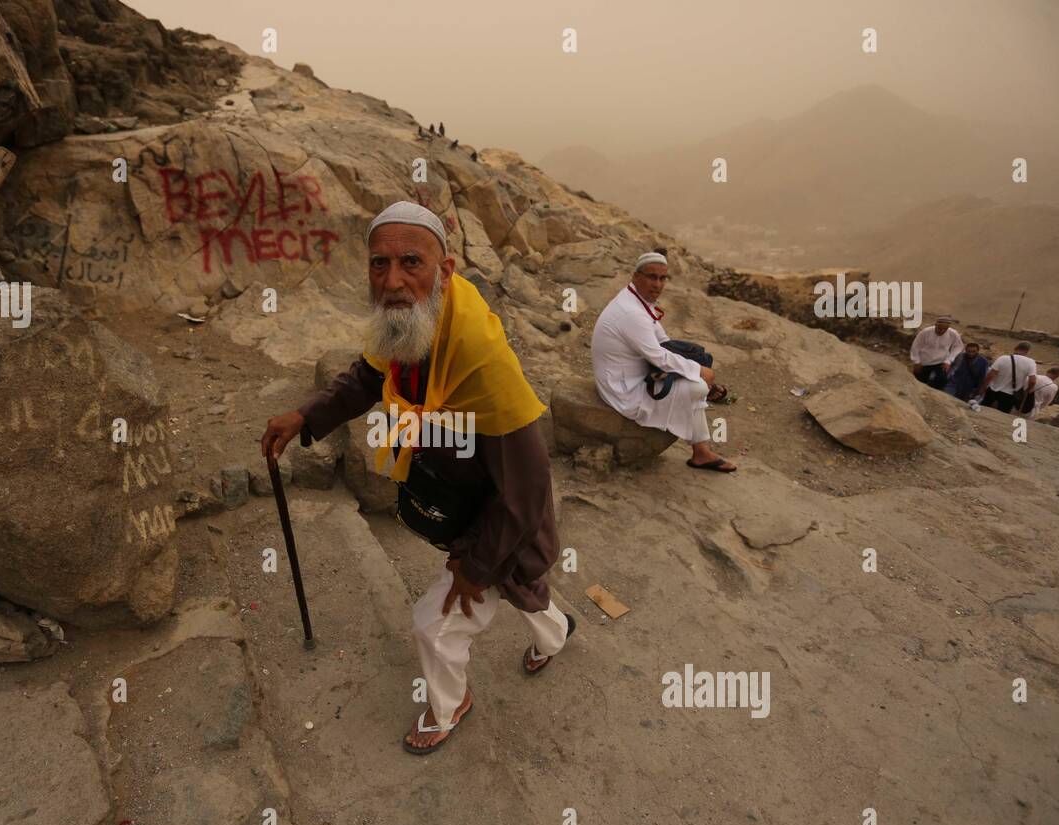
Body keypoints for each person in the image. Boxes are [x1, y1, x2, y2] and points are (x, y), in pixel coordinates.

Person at [260, 201, 574, 755]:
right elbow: (367, 375)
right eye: (379, 265)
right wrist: (306, 417)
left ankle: (448, 708)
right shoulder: (410, 323)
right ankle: (557, 633)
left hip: (497, 525)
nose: (393, 281)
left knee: (436, 621)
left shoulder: (478, 355)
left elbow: (526, 491)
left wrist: (473, 567)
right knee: (522, 592)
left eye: (411, 262)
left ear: (446, 270)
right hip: (459, 502)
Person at [590, 252, 736, 472]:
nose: (657, 284)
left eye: (662, 278)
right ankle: (701, 452)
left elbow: (664, 343)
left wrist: (695, 371)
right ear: (636, 276)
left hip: (635, 375)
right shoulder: (631, 312)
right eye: (651, 277)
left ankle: (701, 453)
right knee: (696, 386)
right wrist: (698, 372)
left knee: (695, 381)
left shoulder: (638, 301)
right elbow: (658, 356)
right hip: (623, 388)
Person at [980, 342, 1038, 413]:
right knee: (1001, 415)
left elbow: (990, 375)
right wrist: (1028, 390)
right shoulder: (1031, 362)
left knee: (983, 410)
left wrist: (982, 389)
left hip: (993, 390)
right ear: (1027, 351)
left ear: (1015, 348)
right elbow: (1032, 381)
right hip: (1010, 395)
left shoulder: (1002, 358)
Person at [910, 317, 964, 390]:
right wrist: (917, 361)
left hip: (941, 361)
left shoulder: (953, 333)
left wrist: (949, 360)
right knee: (919, 381)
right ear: (936, 325)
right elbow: (916, 346)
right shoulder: (926, 332)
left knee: (941, 380)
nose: (941, 331)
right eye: (939, 328)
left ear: (948, 328)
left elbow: (958, 347)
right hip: (924, 361)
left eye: (944, 329)